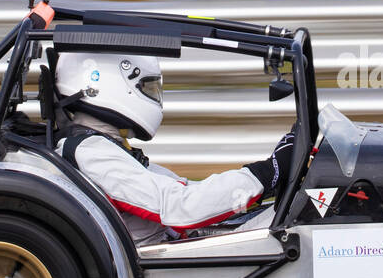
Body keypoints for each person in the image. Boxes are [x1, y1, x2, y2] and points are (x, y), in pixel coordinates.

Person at [53, 52, 295, 245]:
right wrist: (267, 172)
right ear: (107, 83)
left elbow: (186, 189)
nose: (153, 95)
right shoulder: (92, 152)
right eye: (146, 87)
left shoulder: (101, 146)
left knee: (296, 212)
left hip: (174, 252)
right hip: (164, 272)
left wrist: (264, 183)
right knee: (303, 226)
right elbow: (181, 208)